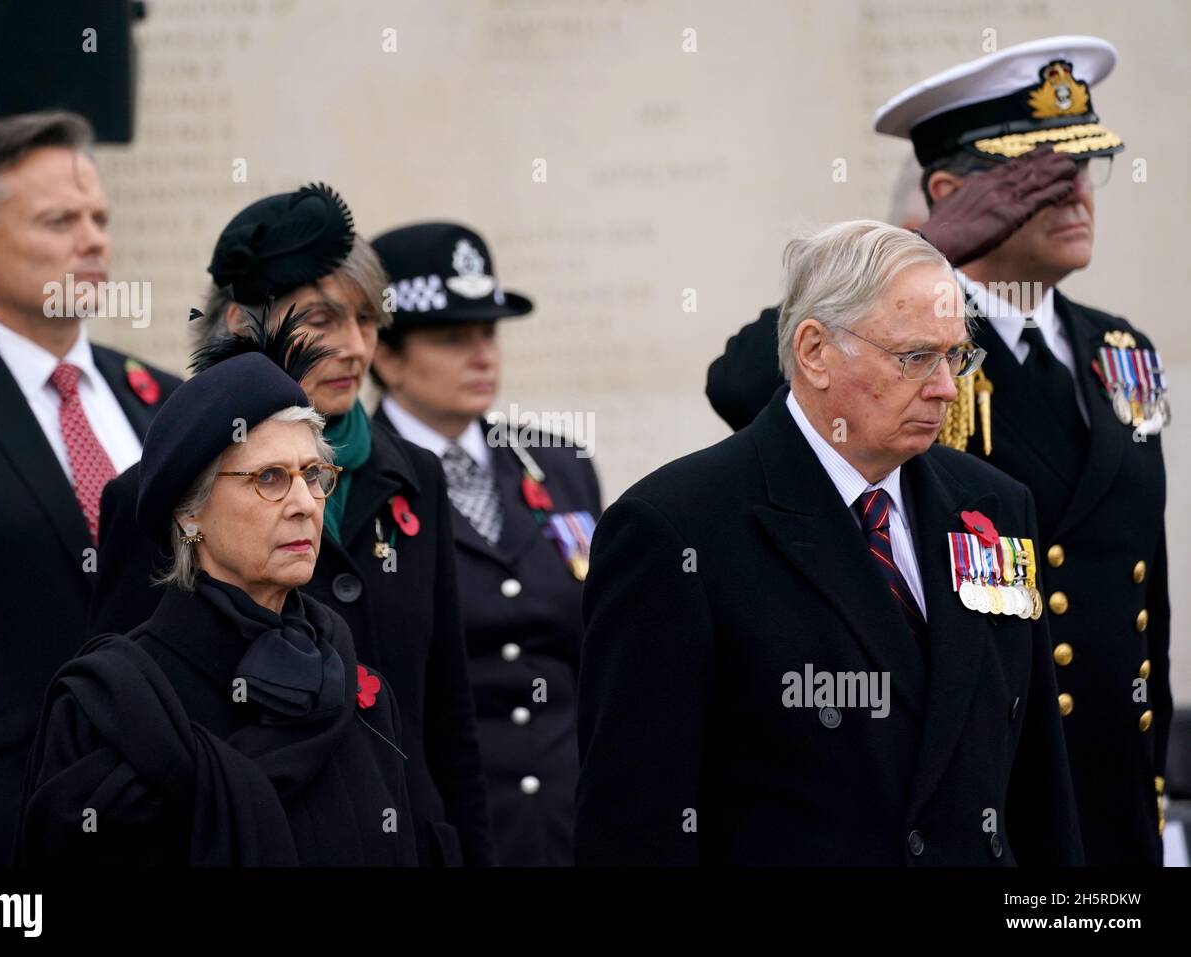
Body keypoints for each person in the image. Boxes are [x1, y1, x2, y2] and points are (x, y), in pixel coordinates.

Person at [702, 36, 1172, 866]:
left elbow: (1145, 586)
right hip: (982, 787)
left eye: (1085, 171)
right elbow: (745, 383)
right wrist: (931, 242)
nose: (1076, 199)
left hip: (1109, 792)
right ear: (951, 194)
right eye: (1041, 180)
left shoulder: (1119, 352)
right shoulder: (903, 349)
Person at [578, 221, 1084, 866]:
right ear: (815, 350)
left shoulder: (995, 506)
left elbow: (1037, 776)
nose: (945, 388)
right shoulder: (677, 529)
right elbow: (634, 824)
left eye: (955, 355)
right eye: (914, 357)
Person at [87, 185, 493, 866]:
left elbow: (448, 717)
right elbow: (124, 710)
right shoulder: (155, 495)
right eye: (325, 319)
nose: (355, 346)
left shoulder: (416, 473)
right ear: (247, 322)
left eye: (368, 320)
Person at [0, 111, 179, 865]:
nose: (93, 240)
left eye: (99, 218)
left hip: (171, 821)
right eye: (60, 220)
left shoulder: (163, 401)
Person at [18, 337, 418, 865]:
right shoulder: (112, 705)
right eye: (269, 478)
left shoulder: (358, 690)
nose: (304, 504)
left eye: (313, 476)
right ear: (190, 513)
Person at [370, 222, 601, 865]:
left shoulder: (558, 465)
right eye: (452, 338)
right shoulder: (348, 481)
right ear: (385, 356)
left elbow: (598, 652)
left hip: (567, 825)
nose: (483, 355)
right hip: (444, 830)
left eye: (489, 333)